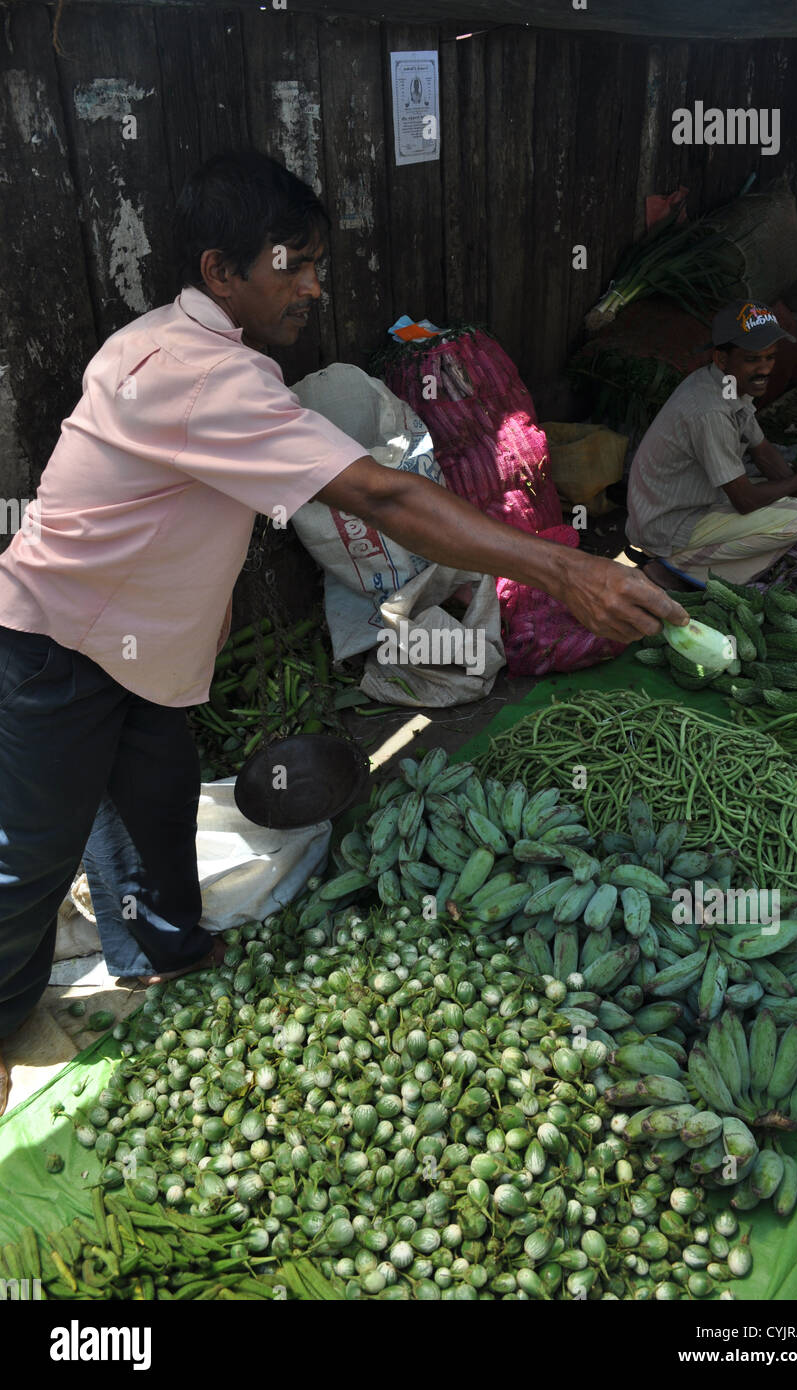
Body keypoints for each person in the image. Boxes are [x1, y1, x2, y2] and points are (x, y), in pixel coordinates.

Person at [0, 149, 686, 1115]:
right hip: (60, 642)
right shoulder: (202, 378)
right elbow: (380, 490)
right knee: (28, 851)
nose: (314, 285)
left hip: (134, 645)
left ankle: (160, 948)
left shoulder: (170, 344)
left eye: (317, 261)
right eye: (292, 264)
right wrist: (563, 568)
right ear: (219, 272)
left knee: (145, 802)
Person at [626, 300, 797, 587]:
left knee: (782, 492)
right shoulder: (709, 411)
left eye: (770, 357)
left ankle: (687, 563)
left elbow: (762, 451)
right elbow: (745, 500)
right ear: (722, 359)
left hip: (689, 500)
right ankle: (677, 569)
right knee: (792, 519)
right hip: (669, 523)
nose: (765, 368)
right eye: (753, 359)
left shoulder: (727, 385)